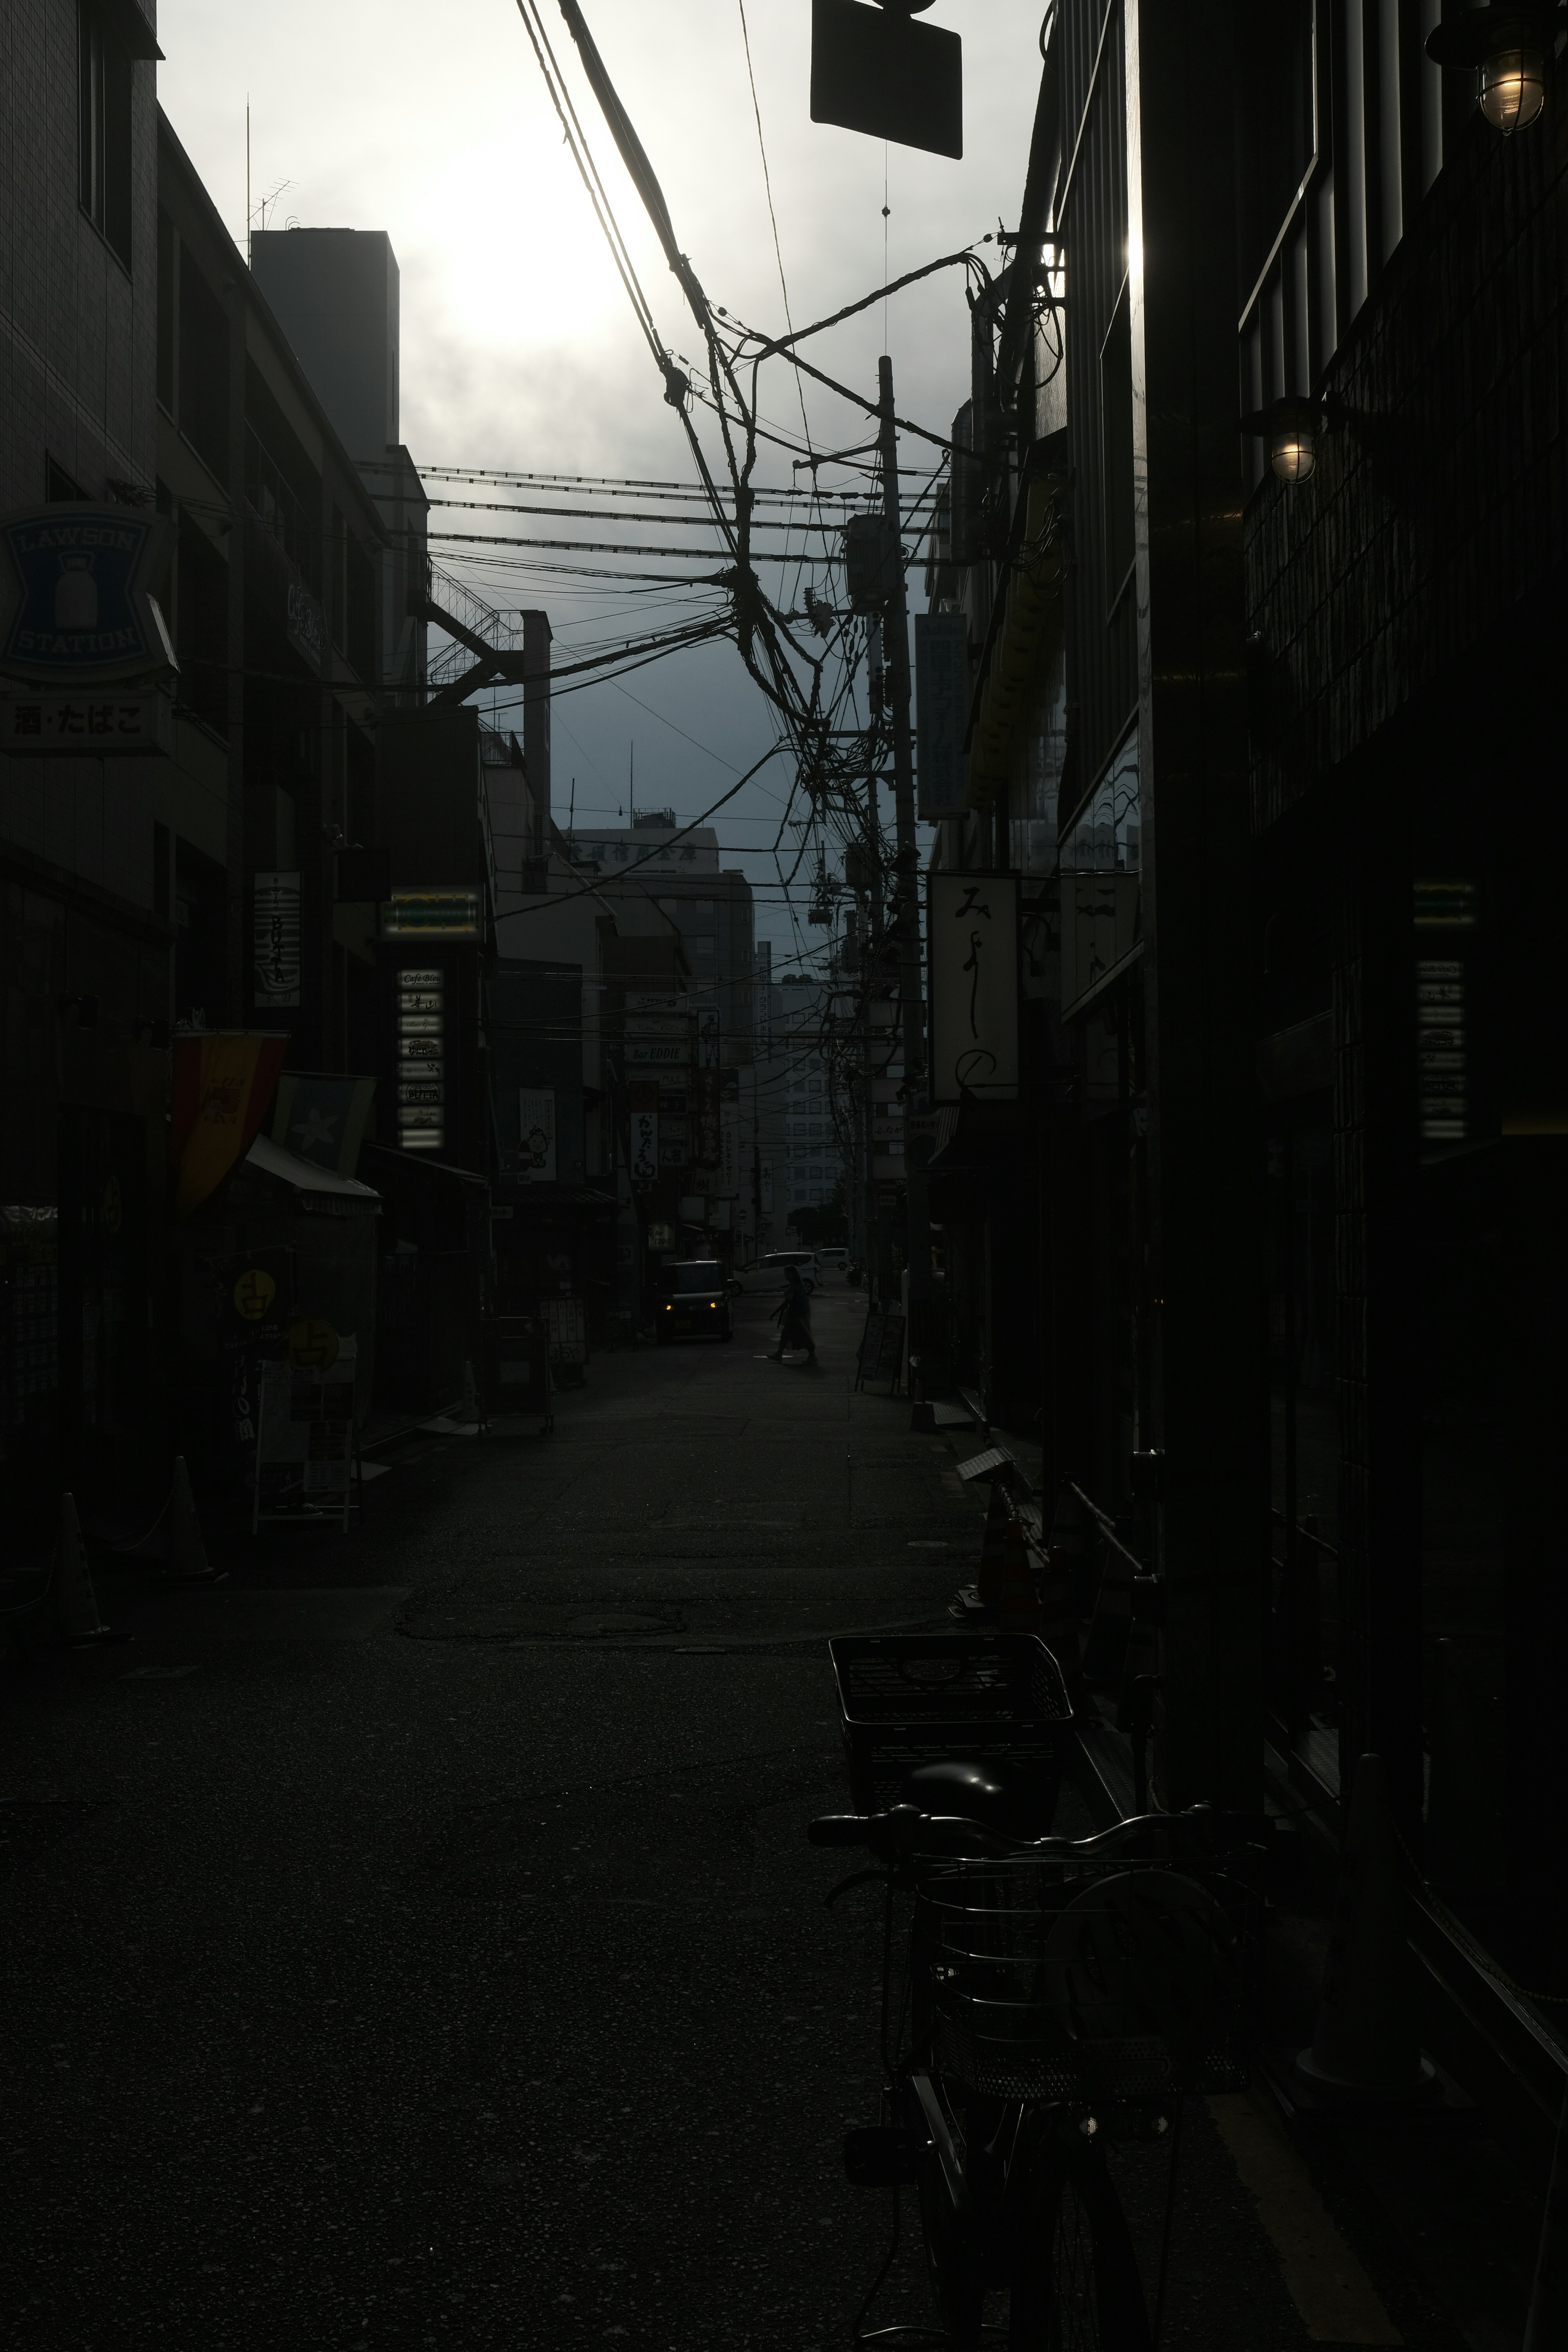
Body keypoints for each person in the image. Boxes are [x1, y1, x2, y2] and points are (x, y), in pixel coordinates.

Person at [769, 1264, 817, 1364]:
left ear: (793, 1275)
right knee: (793, 1333)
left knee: (801, 1334)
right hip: (799, 1314)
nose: (786, 1276)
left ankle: (811, 1356)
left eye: (788, 1274)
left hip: (799, 1315)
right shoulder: (797, 1286)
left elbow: (786, 1303)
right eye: (786, 1274)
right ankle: (780, 1354)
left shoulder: (795, 1287)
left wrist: (775, 1313)